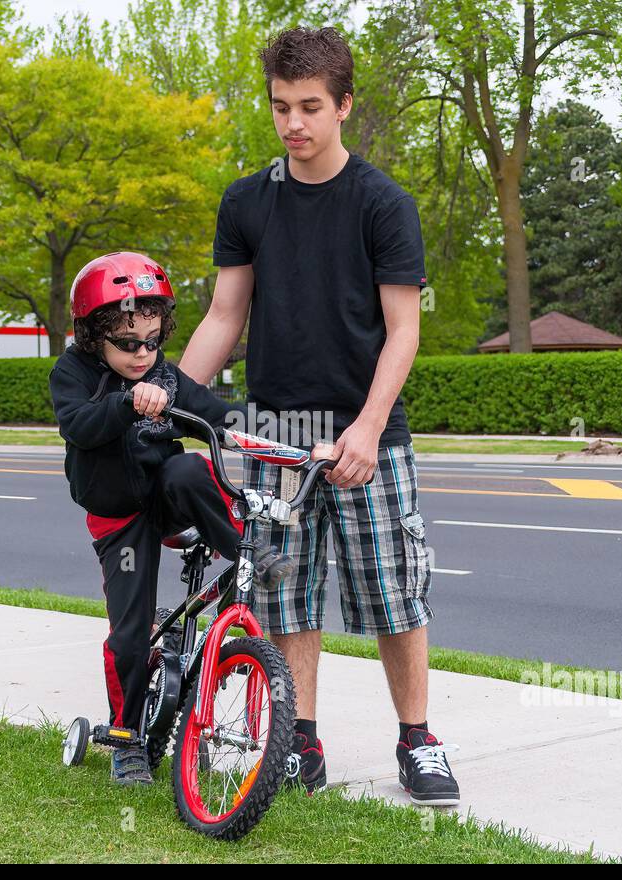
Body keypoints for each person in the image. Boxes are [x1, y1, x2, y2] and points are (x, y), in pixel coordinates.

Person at [177, 27, 461, 805]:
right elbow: (224, 315)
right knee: (286, 597)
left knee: (394, 595)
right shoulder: (246, 200)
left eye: (308, 107)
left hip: (368, 435)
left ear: (343, 104)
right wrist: (169, 394)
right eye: (279, 107)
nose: (292, 123)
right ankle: (298, 740)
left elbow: (403, 331)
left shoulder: (382, 204)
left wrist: (367, 428)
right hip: (275, 435)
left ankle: (417, 740)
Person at [49, 251, 291, 785]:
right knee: (131, 633)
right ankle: (127, 738)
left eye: (153, 340)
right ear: (94, 336)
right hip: (117, 517)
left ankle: (247, 550)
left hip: (164, 498)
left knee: (188, 466)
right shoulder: (73, 372)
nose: (143, 354)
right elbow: (80, 426)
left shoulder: (165, 375)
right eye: (128, 343)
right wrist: (128, 403)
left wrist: (292, 441)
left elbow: (224, 418)